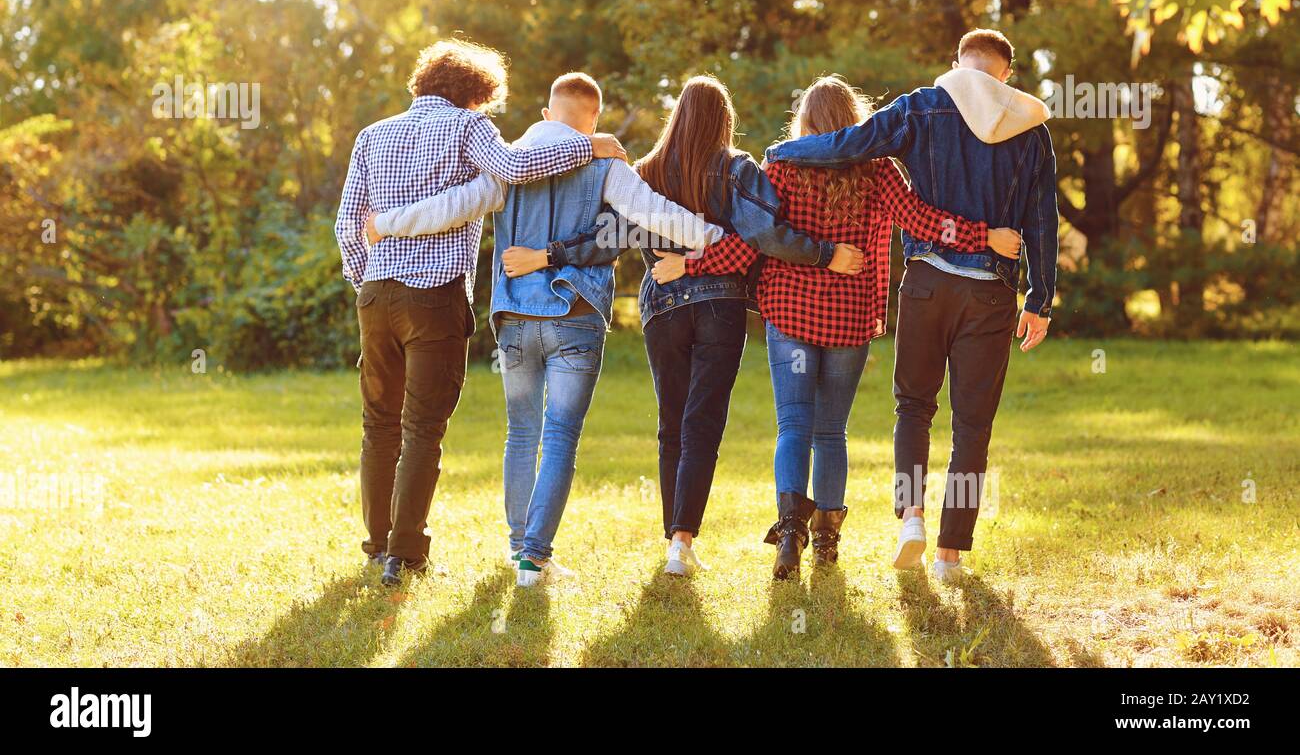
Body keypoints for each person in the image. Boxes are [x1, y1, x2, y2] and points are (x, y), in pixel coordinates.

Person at [653, 76, 1023, 580]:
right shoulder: (876, 169)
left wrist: (692, 264)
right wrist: (985, 236)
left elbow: (755, 240)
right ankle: (827, 538)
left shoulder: (782, 164)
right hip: (848, 317)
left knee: (793, 425)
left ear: (806, 122)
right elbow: (922, 221)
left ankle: (790, 533)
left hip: (789, 310)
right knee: (831, 431)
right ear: (855, 120)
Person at [365, 72, 722, 586]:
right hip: (574, 316)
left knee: (521, 434)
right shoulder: (604, 161)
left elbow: (451, 207)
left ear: (546, 114)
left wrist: (388, 222)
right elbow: (659, 216)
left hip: (513, 318)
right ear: (593, 121)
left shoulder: (507, 160)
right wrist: (714, 235)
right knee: (559, 437)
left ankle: (518, 550)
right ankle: (534, 559)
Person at [506, 75, 863, 577]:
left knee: (670, 422)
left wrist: (552, 254)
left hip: (662, 308)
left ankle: (673, 538)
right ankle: (682, 542)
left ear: (676, 117)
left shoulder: (643, 170)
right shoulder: (739, 170)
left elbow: (610, 236)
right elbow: (761, 237)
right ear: (725, 121)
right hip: (720, 307)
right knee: (703, 422)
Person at [765, 29, 1057, 583]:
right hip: (989, 293)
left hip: (925, 286)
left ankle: (911, 517)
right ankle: (949, 554)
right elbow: (1044, 216)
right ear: (1006, 76)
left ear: (957, 63)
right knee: (973, 425)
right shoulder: (1032, 131)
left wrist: (786, 150)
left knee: (913, 409)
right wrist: (1040, 296)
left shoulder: (921, 107)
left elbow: (848, 142)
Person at [333, 41, 627, 587]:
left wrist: (365, 283)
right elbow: (517, 166)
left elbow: (347, 226)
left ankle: (377, 546)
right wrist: (587, 147)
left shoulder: (371, 136)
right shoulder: (470, 129)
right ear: (476, 93)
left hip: (376, 297)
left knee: (378, 424)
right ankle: (405, 555)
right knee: (422, 428)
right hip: (434, 295)